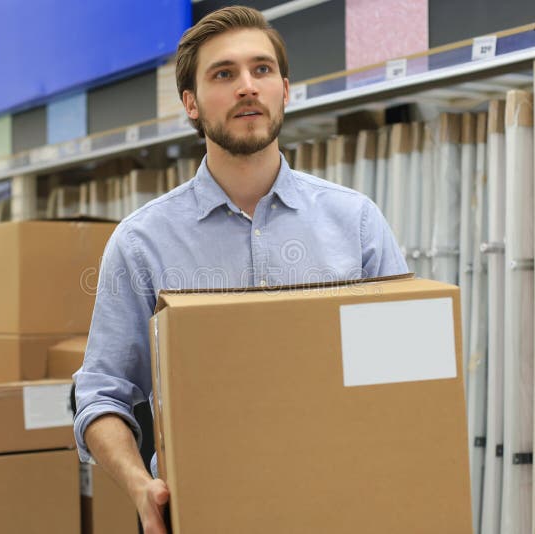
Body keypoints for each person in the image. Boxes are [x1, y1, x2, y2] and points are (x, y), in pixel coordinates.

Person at [74, 6, 408, 533]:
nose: (247, 86)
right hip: (203, 512)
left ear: (285, 90)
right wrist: (140, 486)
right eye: (224, 74)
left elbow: (405, 373)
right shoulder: (141, 243)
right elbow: (101, 394)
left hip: (340, 507)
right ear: (191, 103)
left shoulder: (356, 224)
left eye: (262, 69)